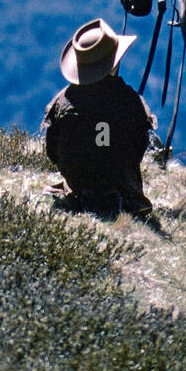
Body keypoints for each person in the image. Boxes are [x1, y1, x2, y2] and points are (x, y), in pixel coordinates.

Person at [41, 17, 156, 220]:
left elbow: (53, 152)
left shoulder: (61, 103)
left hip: (80, 191)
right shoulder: (131, 101)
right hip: (127, 196)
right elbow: (139, 147)